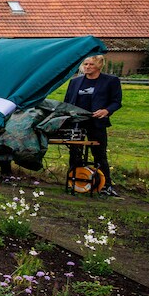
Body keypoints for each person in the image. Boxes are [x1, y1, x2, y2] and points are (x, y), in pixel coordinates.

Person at [64, 54, 123, 197]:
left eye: (91, 64)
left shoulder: (110, 81)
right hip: (77, 122)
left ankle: (106, 186)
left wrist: (106, 111)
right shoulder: (75, 82)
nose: (87, 67)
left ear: (99, 66)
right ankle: (76, 183)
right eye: (85, 64)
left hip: (96, 122)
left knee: (99, 154)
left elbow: (116, 101)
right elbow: (67, 102)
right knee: (75, 153)